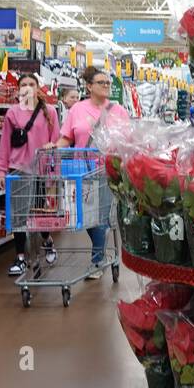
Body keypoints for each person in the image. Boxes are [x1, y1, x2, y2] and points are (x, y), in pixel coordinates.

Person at [55, 66, 131, 279]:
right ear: (89, 86)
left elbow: (127, 141)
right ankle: (99, 254)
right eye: (101, 83)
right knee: (84, 217)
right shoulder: (76, 110)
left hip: (109, 172)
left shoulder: (119, 111)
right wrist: (54, 147)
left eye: (108, 83)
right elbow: (66, 138)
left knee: (101, 217)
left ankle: (97, 260)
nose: (107, 86)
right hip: (82, 172)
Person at [0, 74, 60, 276]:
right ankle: (21, 257)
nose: (27, 87)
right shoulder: (12, 113)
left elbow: (56, 141)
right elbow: (4, 143)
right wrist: (1, 170)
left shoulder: (49, 111)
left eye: (31, 84)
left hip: (41, 170)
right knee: (20, 216)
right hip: (20, 169)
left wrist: (53, 171)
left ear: (38, 87)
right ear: (18, 89)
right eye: (23, 84)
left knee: (40, 214)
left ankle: (47, 240)